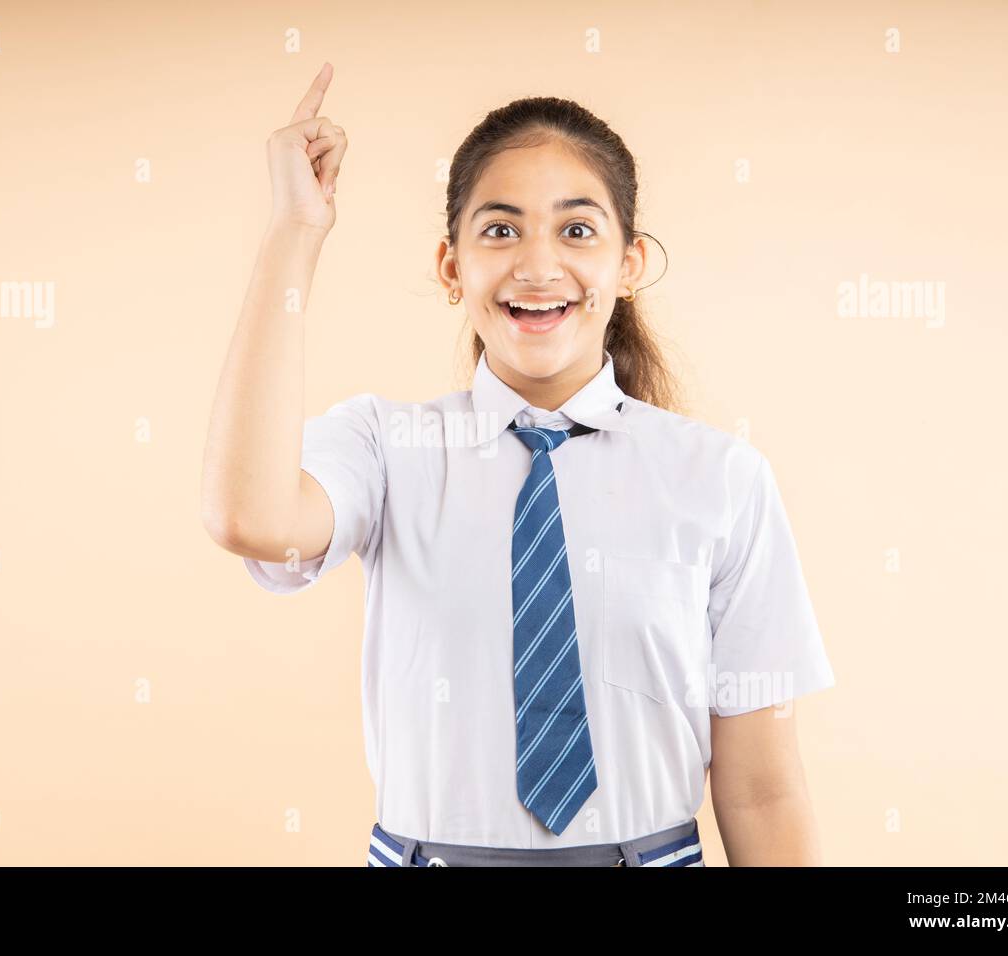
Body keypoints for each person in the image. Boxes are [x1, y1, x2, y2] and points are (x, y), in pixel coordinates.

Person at [201, 62, 836, 867]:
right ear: (451, 265)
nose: (537, 267)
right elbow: (249, 517)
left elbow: (763, 791)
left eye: (577, 230)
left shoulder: (721, 479)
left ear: (630, 263)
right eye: (500, 230)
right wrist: (293, 231)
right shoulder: (386, 448)